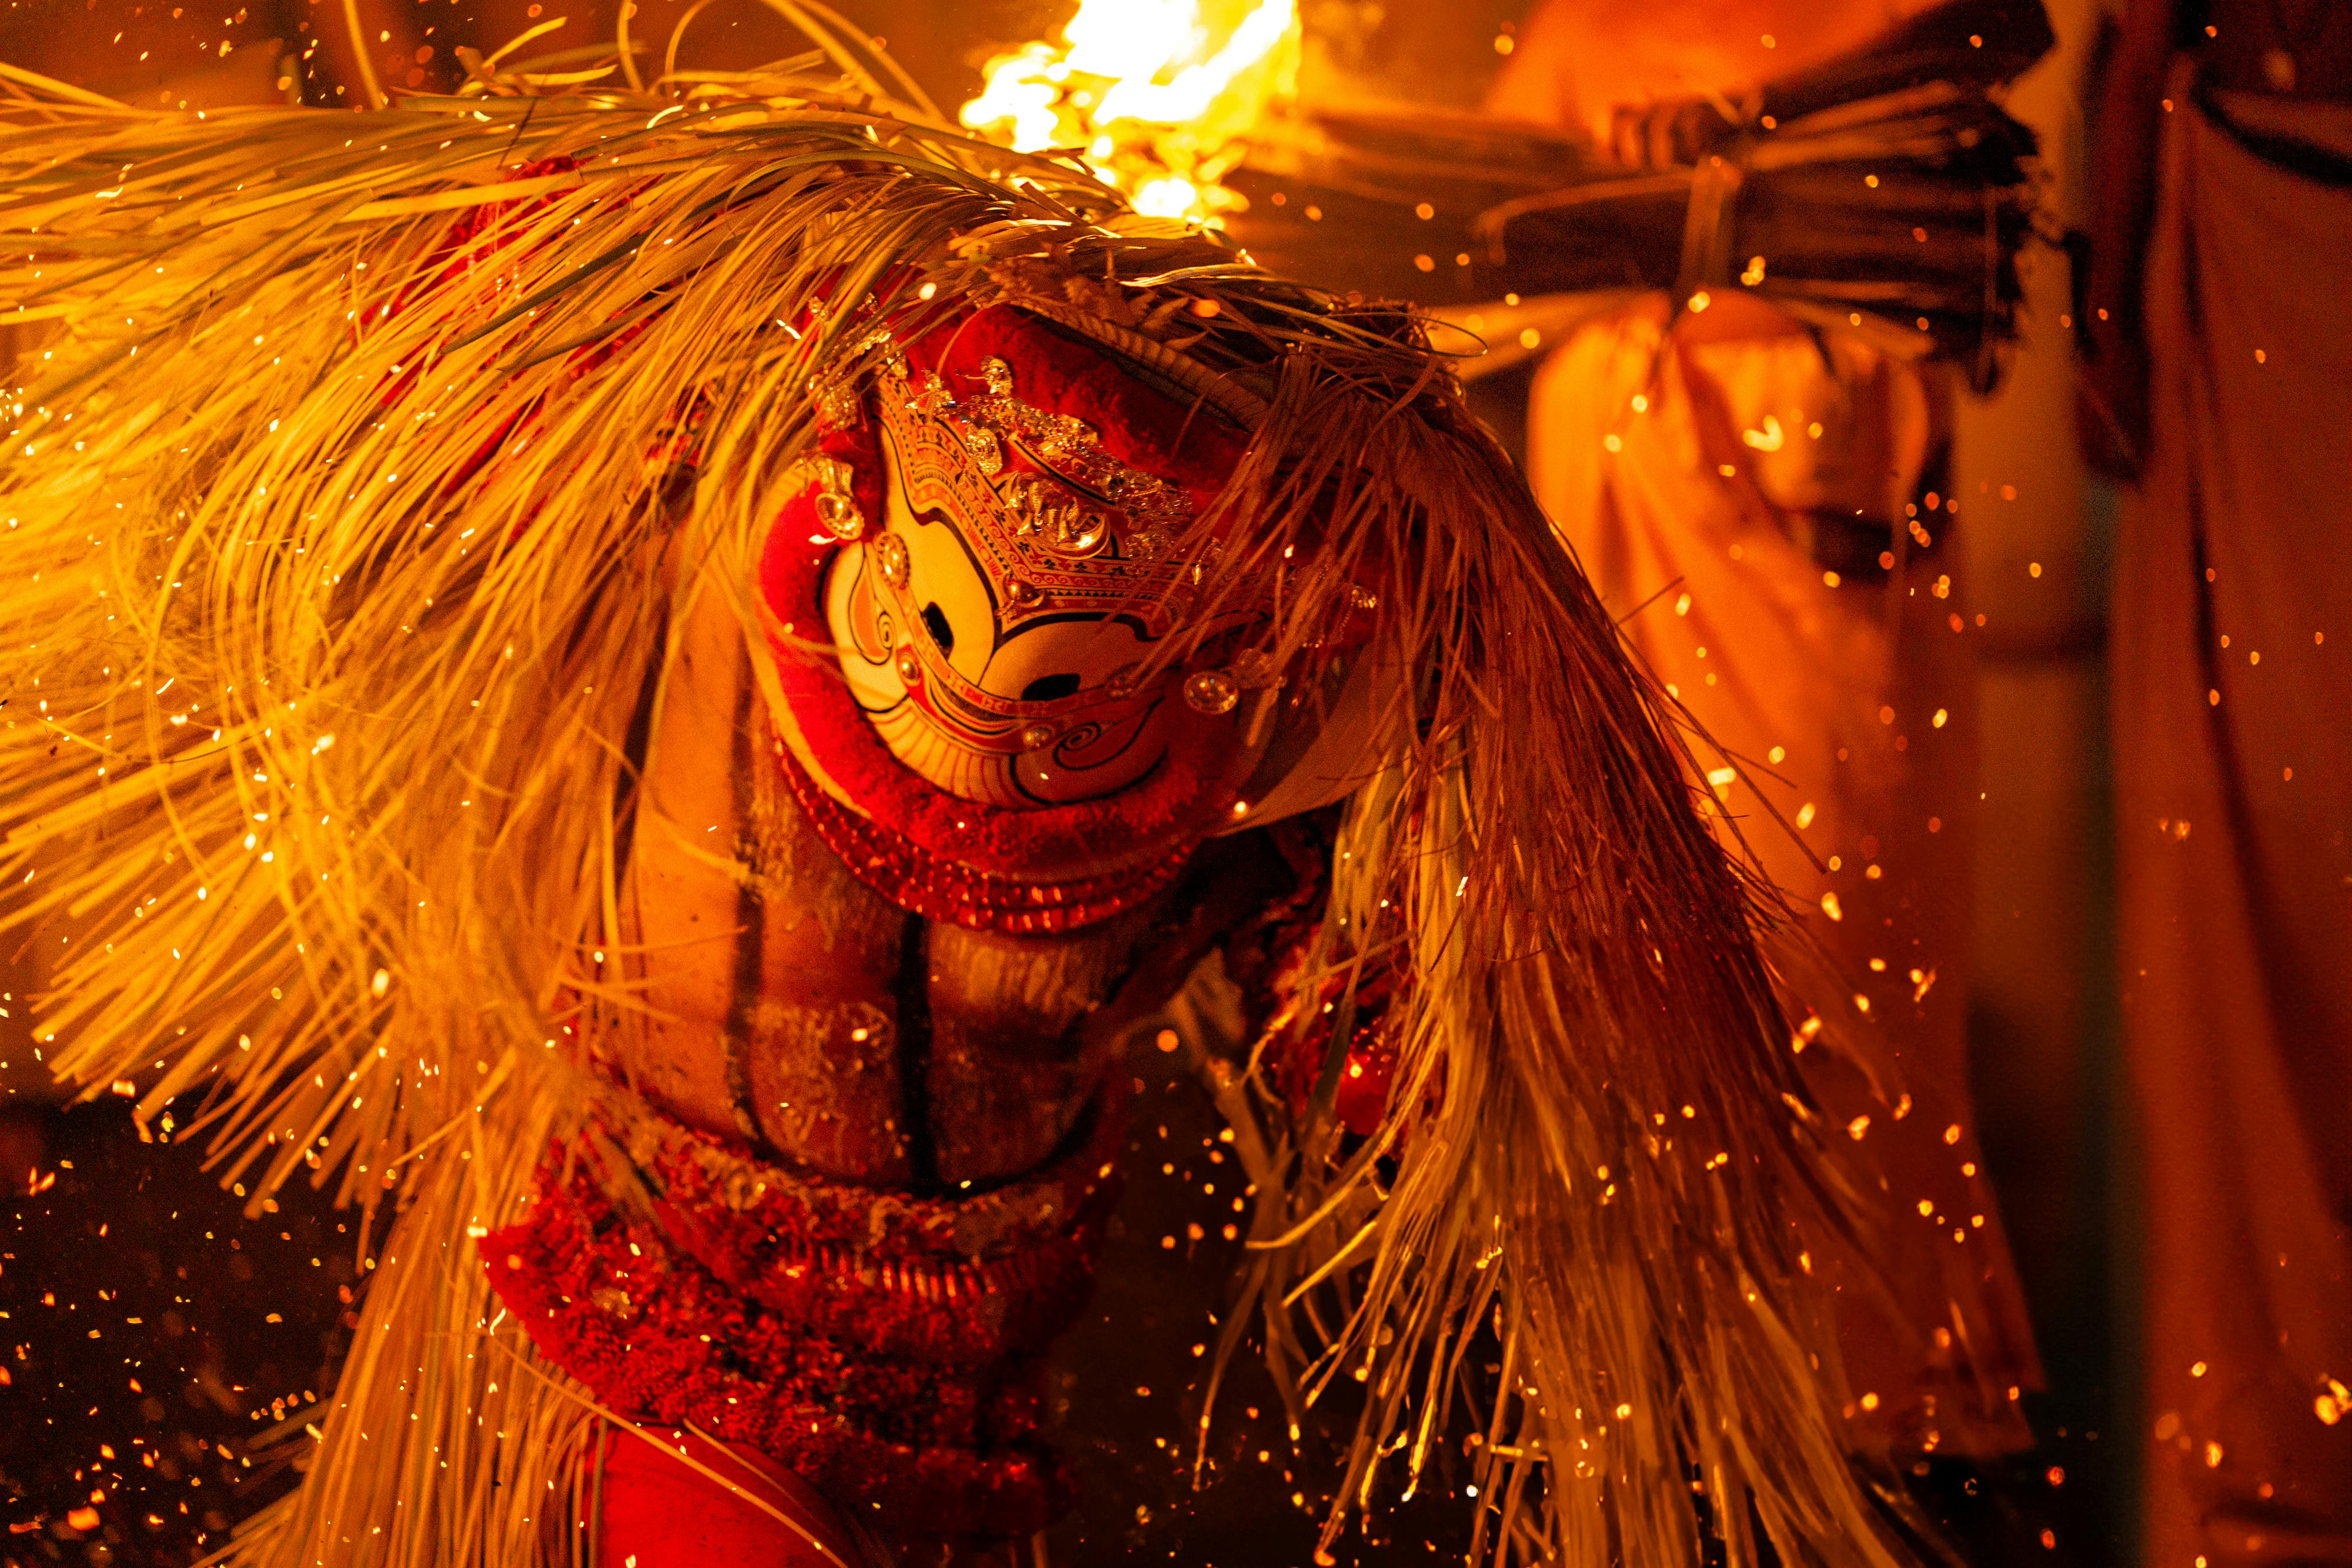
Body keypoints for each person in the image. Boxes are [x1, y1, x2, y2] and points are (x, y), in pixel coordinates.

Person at [2, 29, 1954, 1568]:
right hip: (647, 1340)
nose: (1008, 726)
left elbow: (1363, 1017)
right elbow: (406, 431)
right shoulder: (701, 470)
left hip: (976, 1392)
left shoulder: (1247, 679)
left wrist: (1529, 1059)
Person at [1488, 0, 2046, 1466]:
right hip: (1614, 446)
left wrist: (1753, 125)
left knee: (1827, 927)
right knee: (1631, 939)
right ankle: (1675, 1419)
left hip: (1810, 443)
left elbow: (1994, 33)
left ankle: (1865, 1420)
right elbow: (1486, 196)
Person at [2083, 2, 2352, 1562]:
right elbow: (2135, 42)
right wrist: (2106, 318)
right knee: (2245, 852)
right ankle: (2266, 1492)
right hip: (2244, 254)